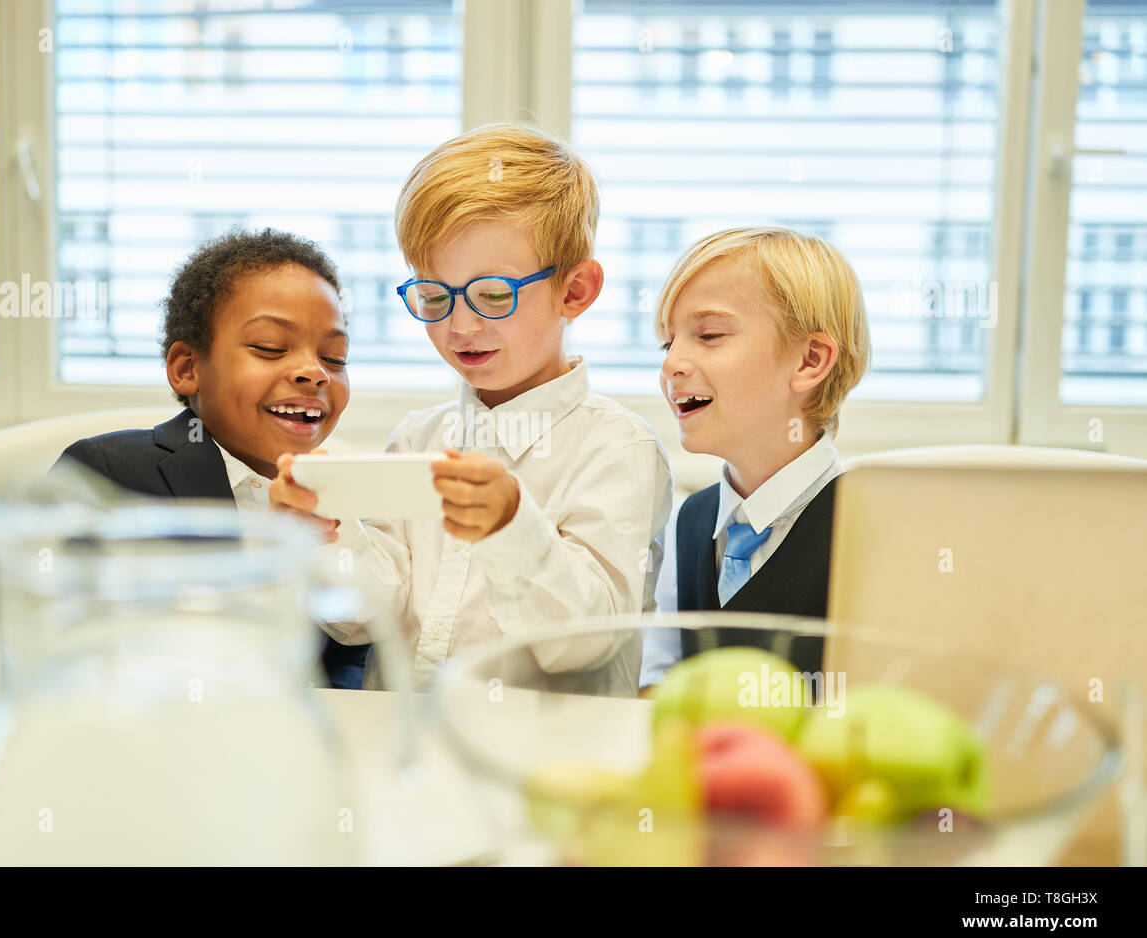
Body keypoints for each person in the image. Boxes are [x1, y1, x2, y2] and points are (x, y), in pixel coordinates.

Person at [272, 123, 673, 694]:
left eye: (493, 295)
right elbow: (365, 619)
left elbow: (582, 644)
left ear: (575, 290)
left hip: (546, 765)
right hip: (406, 750)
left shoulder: (617, 449)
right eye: (434, 296)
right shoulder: (418, 438)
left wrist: (513, 525)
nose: (460, 325)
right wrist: (325, 535)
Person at [51, 228, 368, 689]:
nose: (313, 372)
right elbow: (73, 649)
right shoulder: (106, 474)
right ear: (188, 368)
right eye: (270, 348)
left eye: (334, 357)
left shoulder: (342, 499)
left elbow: (351, 656)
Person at [642, 226, 871, 684]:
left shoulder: (868, 526)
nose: (671, 364)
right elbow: (660, 677)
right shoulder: (690, 521)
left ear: (809, 361)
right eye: (669, 343)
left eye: (708, 335)